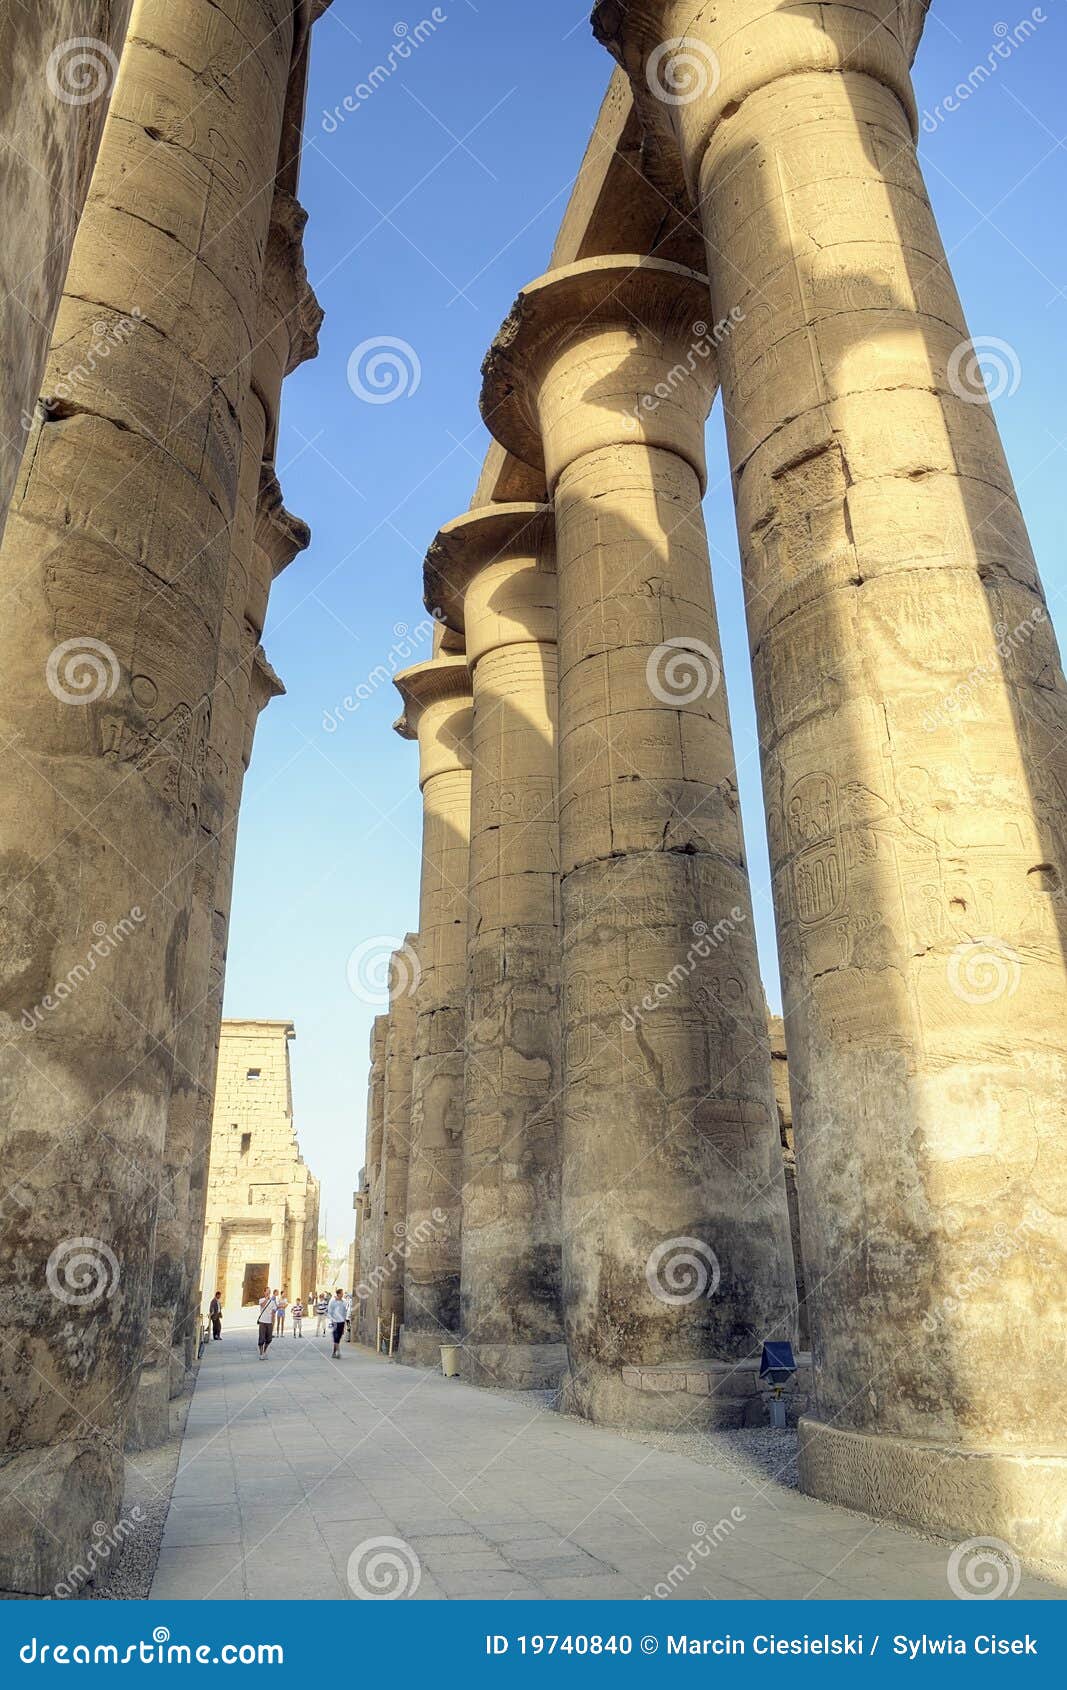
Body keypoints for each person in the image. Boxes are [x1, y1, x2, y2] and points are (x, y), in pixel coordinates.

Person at [257, 1290, 279, 1358]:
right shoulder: (261, 1300)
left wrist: (272, 1322)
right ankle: (261, 1354)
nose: (268, 1293)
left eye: (269, 1291)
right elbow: (262, 1305)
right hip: (262, 1322)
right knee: (261, 1339)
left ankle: (264, 1351)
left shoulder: (272, 1302)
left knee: (269, 1339)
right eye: (266, 1291)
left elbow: (273, 1312)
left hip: (269, 1322)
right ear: (264, 1292)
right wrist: (266, 1299)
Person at [327, 1288, 348, 1357]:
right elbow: (329, 1312)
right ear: (338, 1294)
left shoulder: (344, 1302)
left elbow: (345, 1312)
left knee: (338, 1338)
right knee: (336, 1337)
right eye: (342, 1293)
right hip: (335, 1322)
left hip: (341, 1322)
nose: (343, 1294)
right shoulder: (332, 1302)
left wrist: (345, 1321)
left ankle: (333, 1353)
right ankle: (338, 1352)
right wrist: (332, 1320)